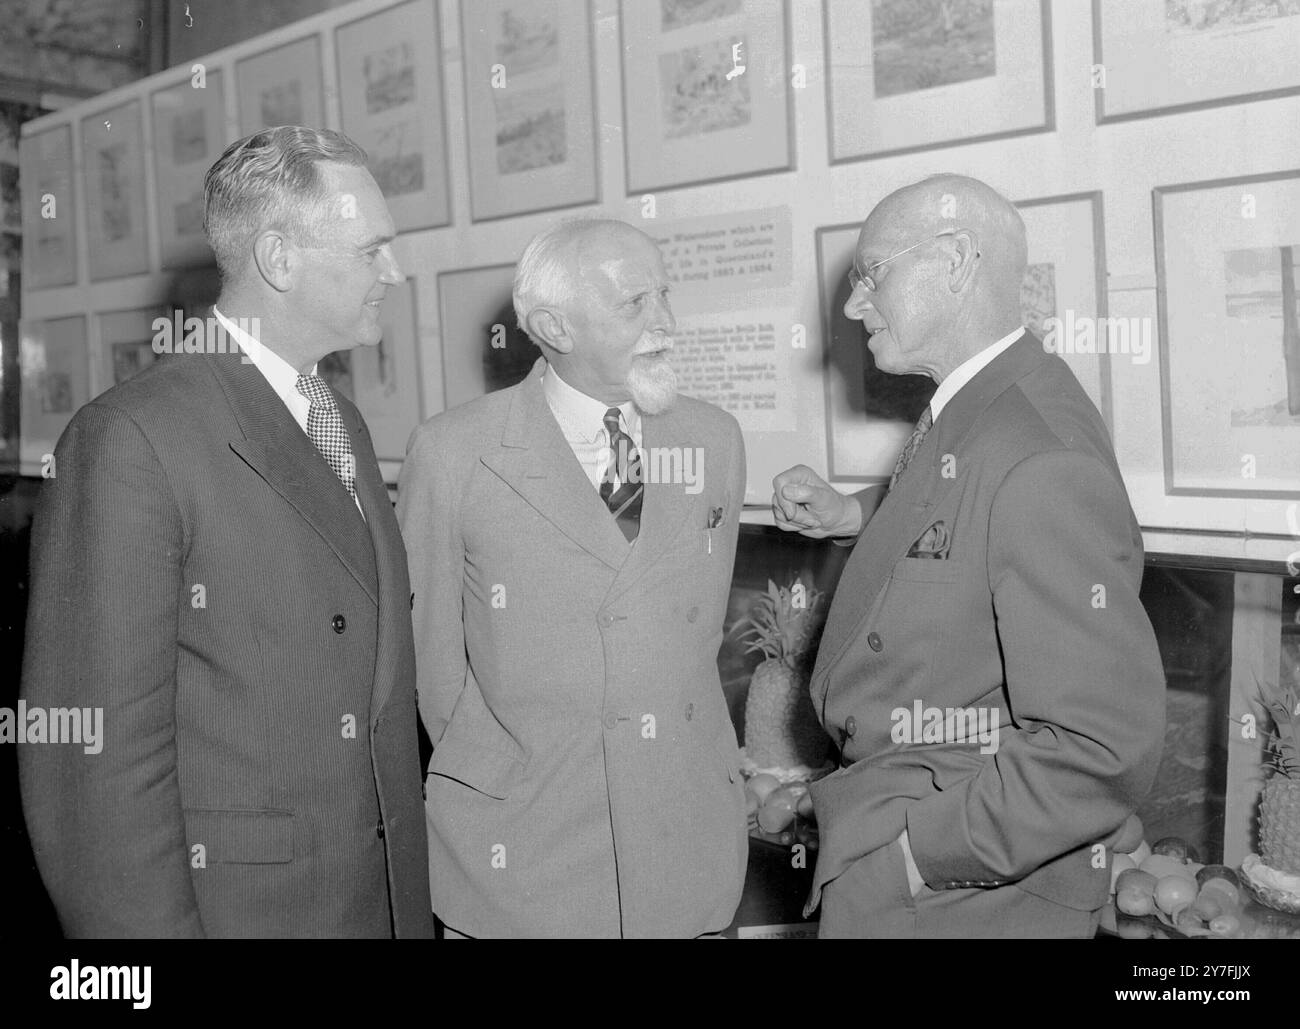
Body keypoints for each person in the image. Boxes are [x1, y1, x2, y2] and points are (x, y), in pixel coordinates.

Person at [19, 126, 434, 938]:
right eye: (371, 249)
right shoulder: (132, 438)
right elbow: (93, 774)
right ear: (279, 260)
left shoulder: (335, 416)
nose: (396, 271)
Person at [771, 174, 1166, 938]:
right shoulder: (984, 405)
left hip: (958, 898)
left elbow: (1099, 746)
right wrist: (856, 513)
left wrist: (919, 856)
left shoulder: (1035, 452)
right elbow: (967, 524)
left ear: (953, 263)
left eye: (872, 274)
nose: (853, 305)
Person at [398, 218, 748, 937]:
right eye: (635, 304)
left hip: (685, 848)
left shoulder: (713, 439)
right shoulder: (454, 452)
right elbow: (431, 665)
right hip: (524, 859)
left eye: (665, 295)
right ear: (553, 325)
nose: (667, 323)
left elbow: (693, 639)